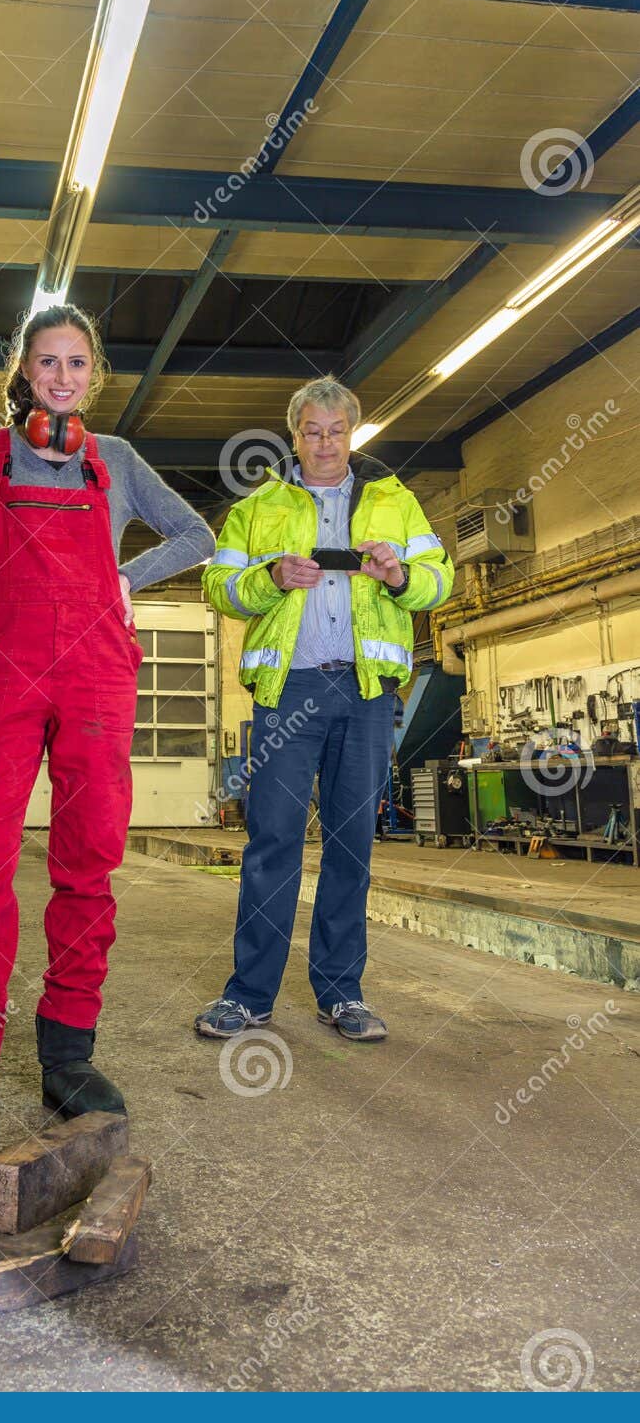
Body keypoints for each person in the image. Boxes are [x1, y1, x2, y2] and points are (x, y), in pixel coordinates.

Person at [0, 303, 214, 1180]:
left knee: (87, 861)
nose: (61, 376)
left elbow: (197, 534)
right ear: (23, 370)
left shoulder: (119, 464)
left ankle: (66, 1057)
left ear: (94, 375)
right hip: (3, 679)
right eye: (46, 361)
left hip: (97, 675)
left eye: (76, 362)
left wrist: (125, 580)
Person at [194, 376, 454, 1045]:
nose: (324, 443)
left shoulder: (396, 503)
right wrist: (269, 578)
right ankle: (247, 995)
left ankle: (342, 993)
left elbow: (437, 578)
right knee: (272, 843)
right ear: (294, 437)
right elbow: (218, 586)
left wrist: (398, 575)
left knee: (350, 848)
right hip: (291, 691)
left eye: (336, 431)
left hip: (367, 694)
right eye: (311, 431)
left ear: (352, 434)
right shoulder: (259, 508)